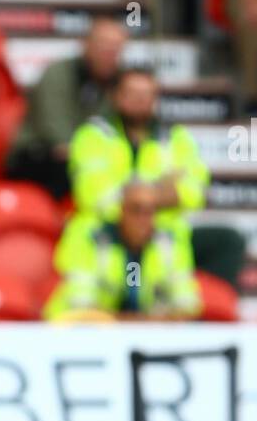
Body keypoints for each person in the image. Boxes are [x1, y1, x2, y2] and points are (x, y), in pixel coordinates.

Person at [67, 66, 245, 287]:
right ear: (116, 97)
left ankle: (205, 314)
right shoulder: (93, 136)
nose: (140, 100)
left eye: (147, 94)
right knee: (132, 263)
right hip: (111, 235)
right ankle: (131, 306)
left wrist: (130, 194)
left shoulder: (176, 138)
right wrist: (161, 191)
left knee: (227, 241)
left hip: (164, 235)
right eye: (132, 93)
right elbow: (93, 196)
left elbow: (195, 192)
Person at [6, 16, 128, 199]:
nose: (109, 54)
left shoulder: (119, 84)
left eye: (115, 49)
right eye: (104, 46)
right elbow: (55, 133)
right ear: (86, 44)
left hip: (84, 159)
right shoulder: (58, 73)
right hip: (37, 156)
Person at [45, 180, 202, 321]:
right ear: (120, 210)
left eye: (150, 211)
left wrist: (145, 320)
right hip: (73, 336)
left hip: (135, 334)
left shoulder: (167, 244)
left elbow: (188, 305)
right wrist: (142, 321)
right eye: (136, 210)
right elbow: (81, 306)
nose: (143, 220)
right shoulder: (88, 239)